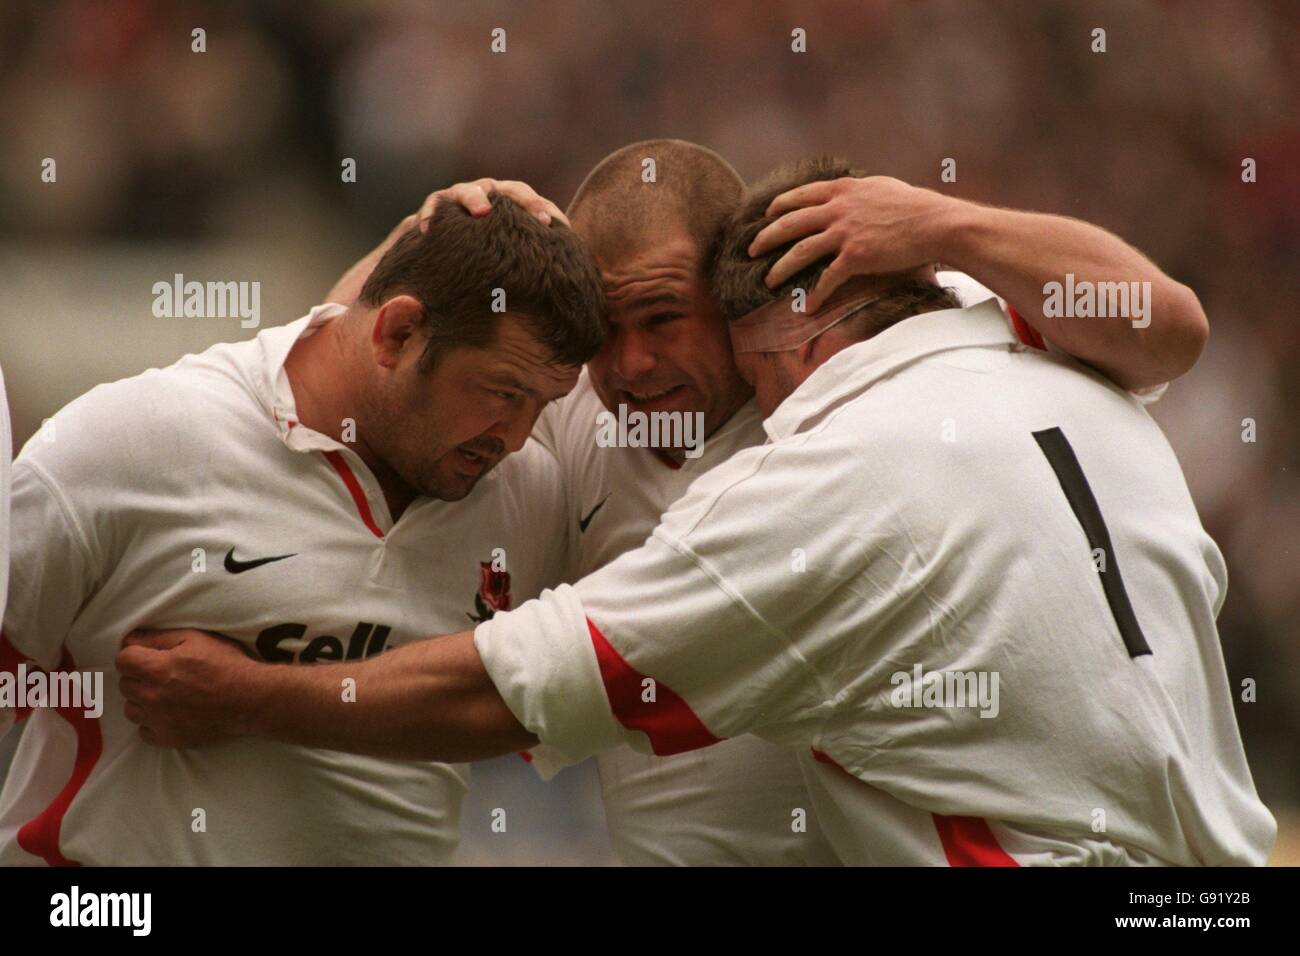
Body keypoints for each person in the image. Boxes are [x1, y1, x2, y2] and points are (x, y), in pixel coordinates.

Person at [117, 157, 1274, 865]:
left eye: (663, 318)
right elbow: (359, 416)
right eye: (601, 335)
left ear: (757, 303)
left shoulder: (824, 462)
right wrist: (420, 244)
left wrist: (939, 220)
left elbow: (513, 687)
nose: (628, 366)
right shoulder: (980, 343)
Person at [0, 195, 605, 865]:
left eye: (543, 405)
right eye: (503, 393)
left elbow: (530, 709)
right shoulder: (129, 442)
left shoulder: (533, 497)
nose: (516, 438)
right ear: (398, 334)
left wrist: (250, 697)